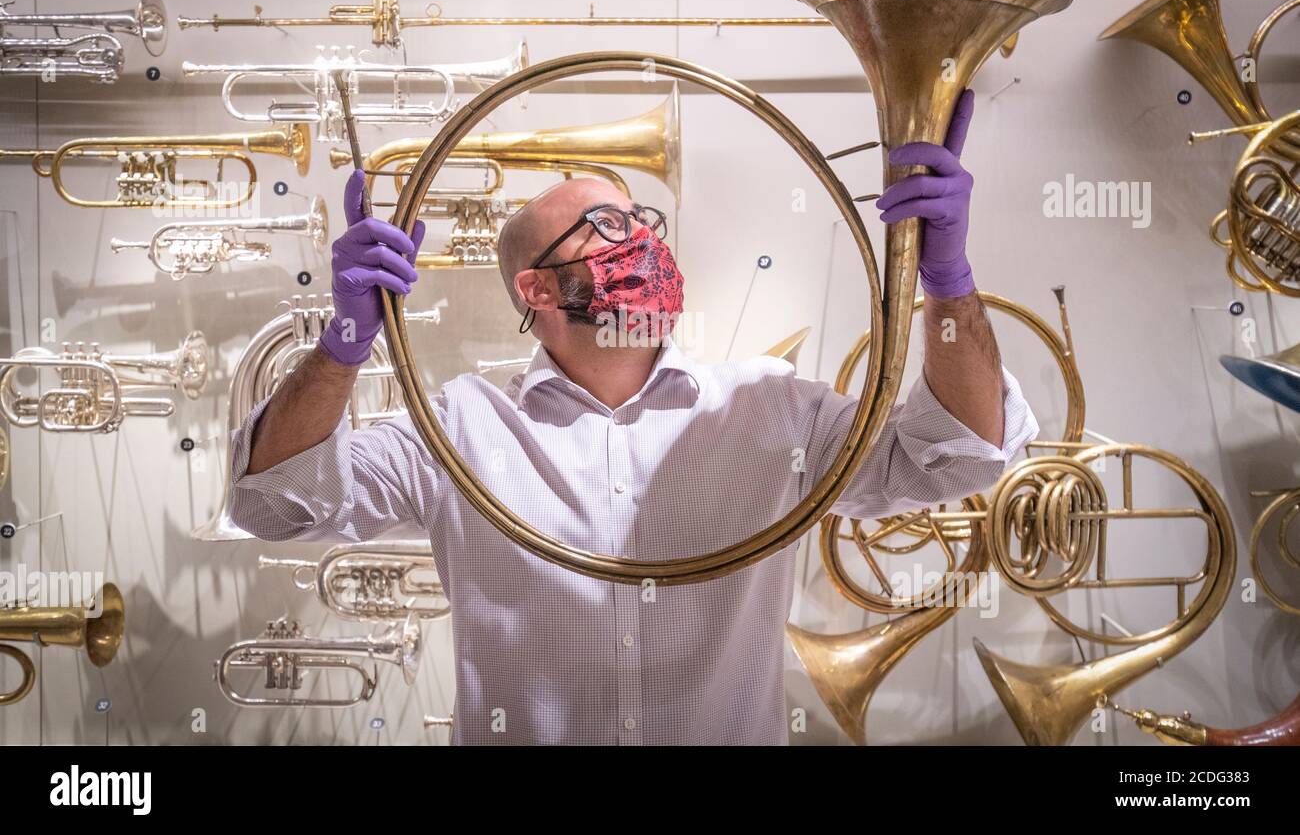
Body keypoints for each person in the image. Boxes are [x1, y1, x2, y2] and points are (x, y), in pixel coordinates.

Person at [229, 89, 1038, 744]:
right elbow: (273, 502)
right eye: (606, 230)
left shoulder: (772, 406)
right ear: (537, 290)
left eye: (642, 224)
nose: (641, 244)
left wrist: (948, 284)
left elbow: (958, 458)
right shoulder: (460, 428)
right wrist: (340, 348)